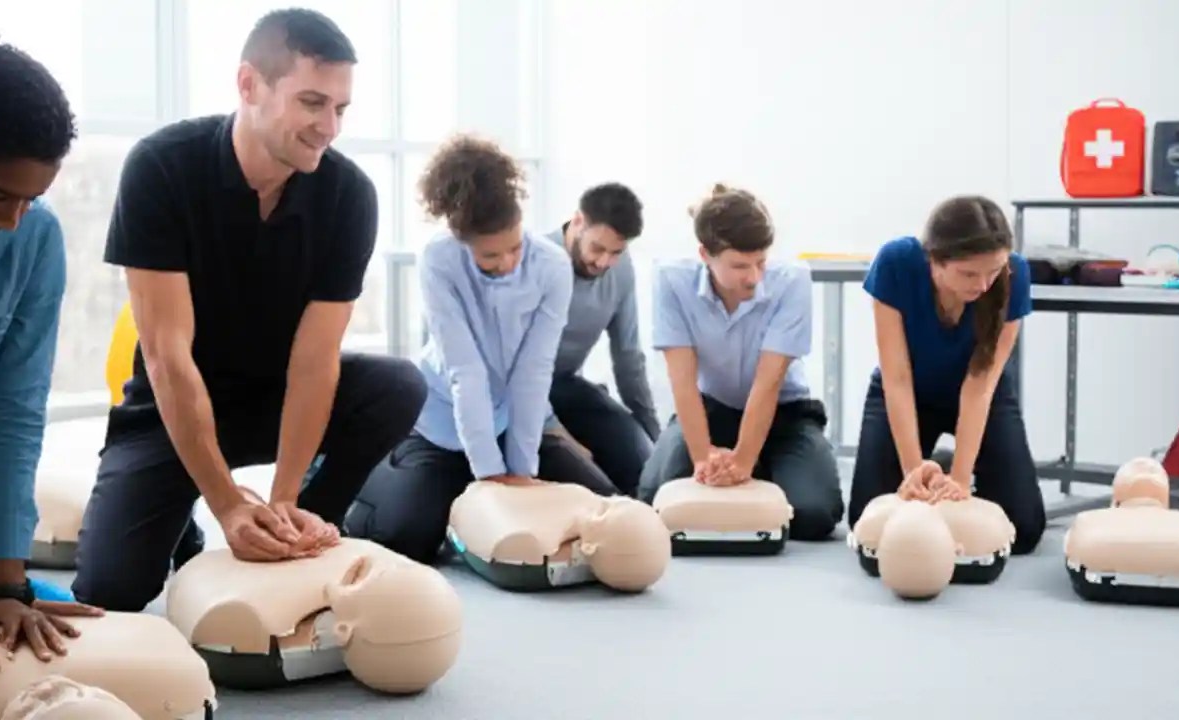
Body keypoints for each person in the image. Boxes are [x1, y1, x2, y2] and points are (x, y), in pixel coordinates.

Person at [70, 9, 427, 612]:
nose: (329, 128)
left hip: (272, 398)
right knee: (110, 590)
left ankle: (305, 520)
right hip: (168, 409)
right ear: (249, 85)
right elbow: (166, 357)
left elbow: (315, 362)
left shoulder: (350, 195)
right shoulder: (161, 167)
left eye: (341, 109)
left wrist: (283, 500)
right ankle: (184, 513)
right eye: (312, 103)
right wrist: (227, 504)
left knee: (397, 385)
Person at [343, 134, 619, 565]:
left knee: (604, 510)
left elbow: (533, 373)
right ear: (463, 241)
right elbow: (465, 371)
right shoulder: (439, 259)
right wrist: (491, 477)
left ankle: (467, 492)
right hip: (438, 425)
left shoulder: (551, 266)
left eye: (515, 247)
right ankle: (369, 472)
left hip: (508, 423)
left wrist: (520, 473)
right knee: (404, 537)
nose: (507, 262)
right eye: (490, 256)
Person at [637, 183, 844, 541]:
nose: (753, 277)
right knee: (654, 498)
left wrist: (744, 460)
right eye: (739, 266)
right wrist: (703, 458)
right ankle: (740, 463)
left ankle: (763, 465)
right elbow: (683, 383)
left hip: (784, 414)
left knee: (814, 514)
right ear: (705, 254)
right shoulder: (671, 280)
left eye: (761, 262)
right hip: (711, 409)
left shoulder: (792, 281)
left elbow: (768, 383)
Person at [0, 31, 106, 670]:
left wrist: (5, 585)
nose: (14, 219)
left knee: (67, 626)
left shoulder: (35, 238)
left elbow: (13, 409)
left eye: (31, 198)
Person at [847, 194, 1046, 555]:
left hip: (981, 395)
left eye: (993, 271)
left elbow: (979, 387)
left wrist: (960, 479)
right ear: (934, 261)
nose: (983, 285)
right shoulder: (896, 262)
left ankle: (948, 464)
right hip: (909, 390)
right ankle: (931, 463)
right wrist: (915, 473)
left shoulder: (1014, 275)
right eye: (969, 273)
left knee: (1025, 528)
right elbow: (897, 379)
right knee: (868, 520)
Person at [547, 182, 659, 495]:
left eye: (616, 252)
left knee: (647, 473)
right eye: (597, 248)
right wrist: (561, 435)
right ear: (578, 221)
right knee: (593, 482)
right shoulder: (538, 261)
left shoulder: (621, 270)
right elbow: (517, 370)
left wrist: (655, 438)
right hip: (517, 395)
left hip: (566, 388)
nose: (604, 262)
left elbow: (628, 359)